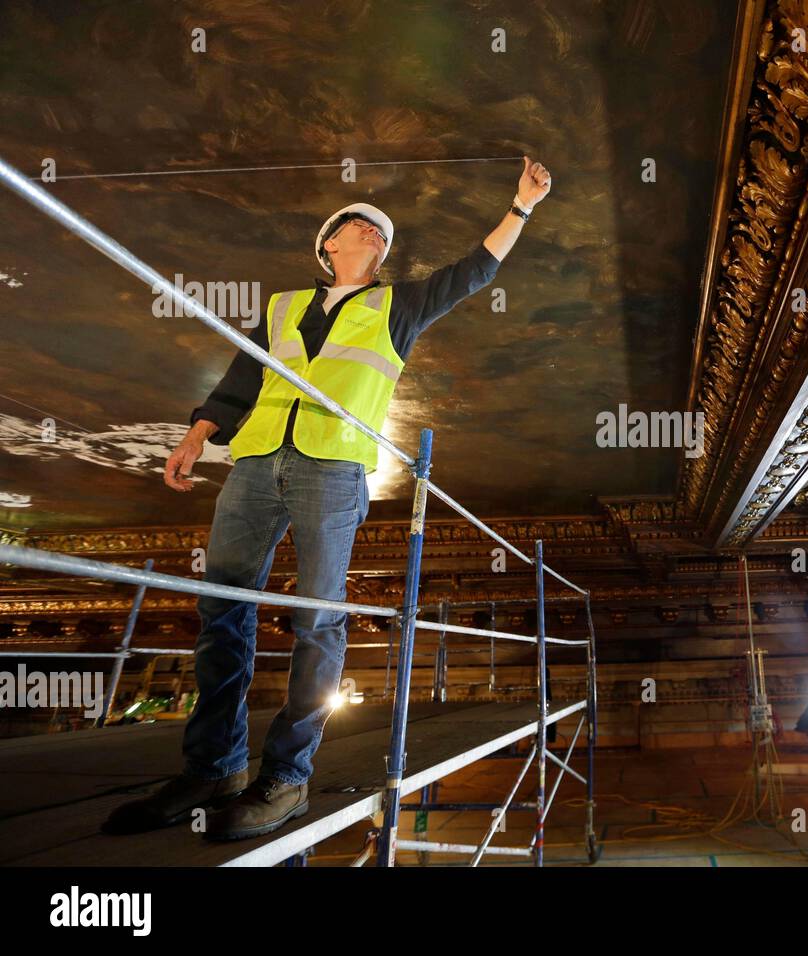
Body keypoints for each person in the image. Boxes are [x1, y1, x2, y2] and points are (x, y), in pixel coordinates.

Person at [103, 158, 552, 841]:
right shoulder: (283, 306)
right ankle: (210, 769)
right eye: (359, 225)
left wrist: (520, 207)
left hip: (332, 470)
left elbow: (474, 273)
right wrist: (196, 437)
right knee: (224, 607)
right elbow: (242, 376)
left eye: (381, 231)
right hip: (254, 464)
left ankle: (285, 779)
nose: (373, 232)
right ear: (329, 244)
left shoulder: (397, 307)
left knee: (318, 620)